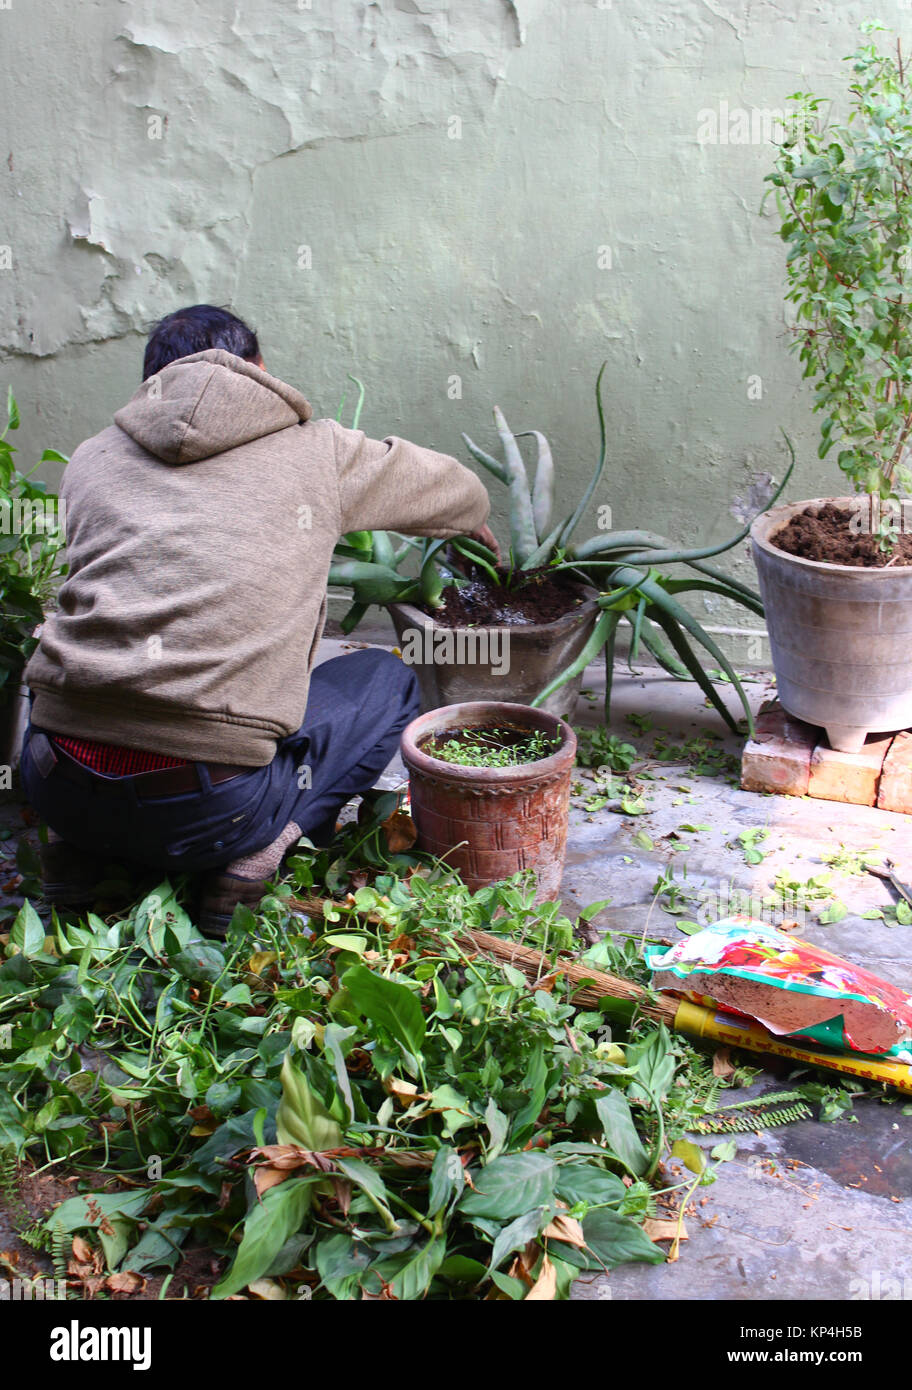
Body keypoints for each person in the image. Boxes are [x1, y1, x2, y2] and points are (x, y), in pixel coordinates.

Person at [20, 304, 495, 935]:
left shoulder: (91, 458)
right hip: (214, 810)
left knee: (78, 687)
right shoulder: (319, 451)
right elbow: (460, 490)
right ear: (261, 371)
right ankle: (257, 854)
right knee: (386, 679)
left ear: (149, 383)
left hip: (56, 781)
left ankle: (73, 851)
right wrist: (467, 519)